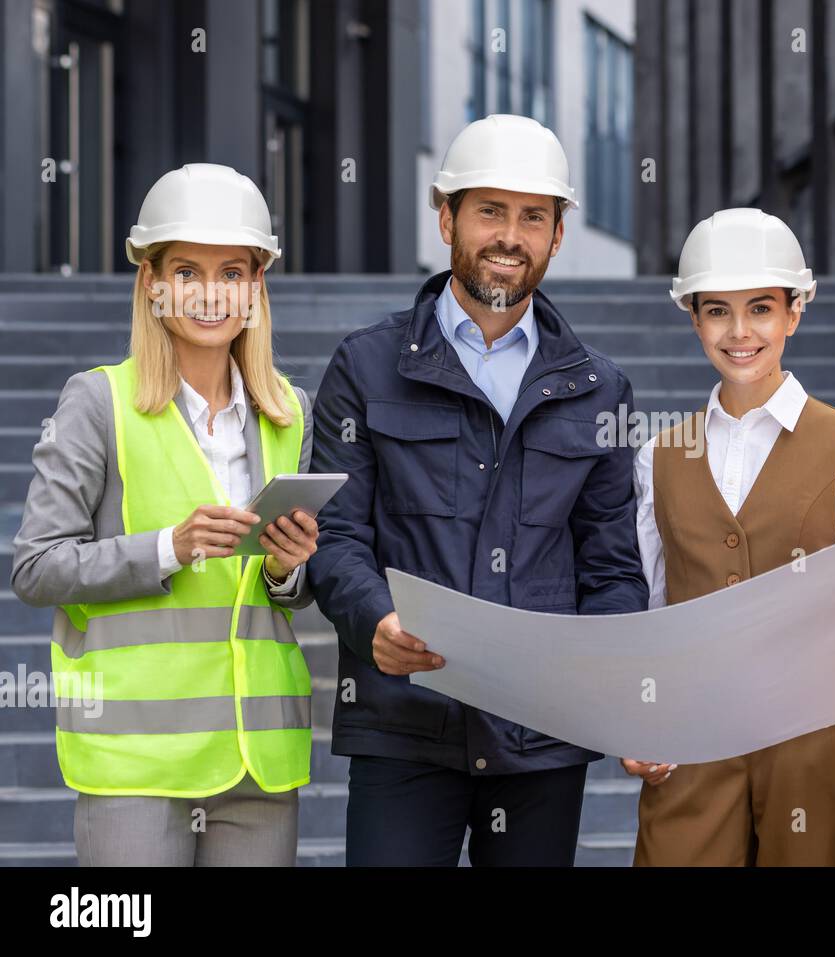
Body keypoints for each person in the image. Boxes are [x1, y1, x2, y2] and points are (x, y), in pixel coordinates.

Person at [307, 114, 648, 866]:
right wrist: (377, 623)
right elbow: (335, 540)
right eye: (489, 210)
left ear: (558, 236)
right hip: (403, 724)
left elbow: (613, 567)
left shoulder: (601, 391)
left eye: (534, 217)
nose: (510, 236)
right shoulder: (367, 368)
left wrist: (614, 687)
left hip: (541, 737)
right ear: (446, 218)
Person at [10, 163, 320, 866]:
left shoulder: (288, 414)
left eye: (232, 271)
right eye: (187, 270)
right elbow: (34, 566)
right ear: (152, 284)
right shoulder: (99, 403)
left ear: (255, 287)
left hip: (256, 762)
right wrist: (166, 549)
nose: (211, 293)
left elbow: (289, 597)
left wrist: (286, 570)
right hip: (137, 763)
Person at [623, 208, 835, 866]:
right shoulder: (656, 454)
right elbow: (652, 607)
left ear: (794, 312)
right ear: (694, 318)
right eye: (717, 311)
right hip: (694, 740)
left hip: (819, 738)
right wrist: (641, 714)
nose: (739, 332)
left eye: (760, 308)